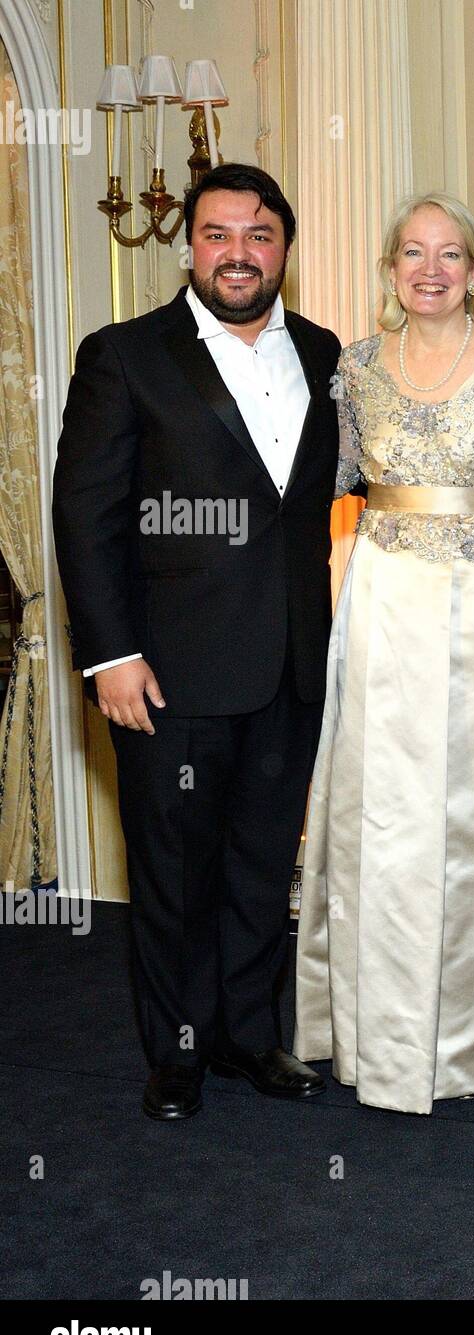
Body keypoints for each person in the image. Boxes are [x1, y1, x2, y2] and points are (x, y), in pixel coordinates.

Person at [52, 164, 340, 1120]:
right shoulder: (127, 354)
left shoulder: (330, 354)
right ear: (190, 246)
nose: (239, 252)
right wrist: (108, 655)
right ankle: (177, 1053)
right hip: (167, 670)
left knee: (263, 861)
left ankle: (249, 1037)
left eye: (259, 234)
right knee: (174, 867)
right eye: (218, 234)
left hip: (293, 660)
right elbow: (85, 516)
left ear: (284, 247)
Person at [293, 193, 474, 1114]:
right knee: (383, 817)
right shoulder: (355, 369)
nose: (430, 269)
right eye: (412, 253)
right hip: (381, 608)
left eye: (450, 253)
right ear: (388, 268)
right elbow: (321, 485)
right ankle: (382, 1035)